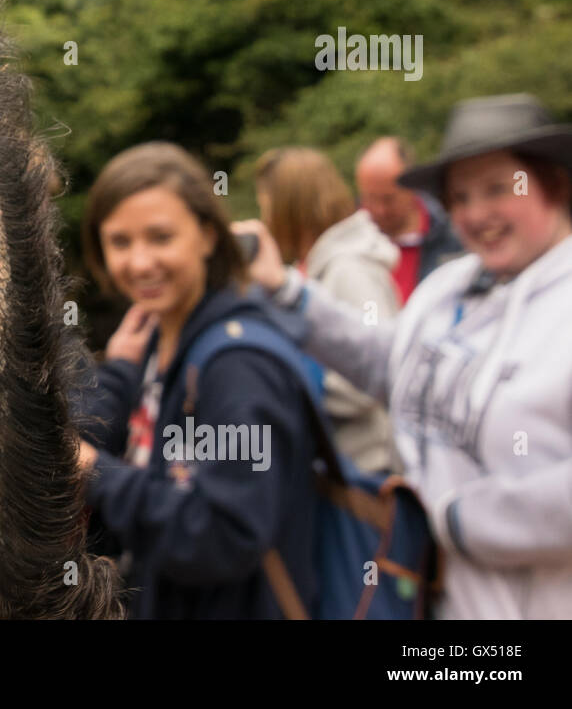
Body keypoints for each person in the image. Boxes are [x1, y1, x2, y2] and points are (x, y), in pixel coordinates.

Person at [235, 94, 572, 619]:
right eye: (459, 197)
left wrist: (452, 520)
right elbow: (392, 368)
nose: (476, 214)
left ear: (554, 183)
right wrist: (286, 292)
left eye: (497, 189)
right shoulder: (449, 286)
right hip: (424, 601)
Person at [71, 142, 318, 619]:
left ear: (207, 236)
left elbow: (223, 535)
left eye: (161, 237)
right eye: (120, 242)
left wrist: (97, 475)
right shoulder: (161, 347)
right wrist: (120, 373)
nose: (140, 263)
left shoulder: (237, 367)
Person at [254, 147, 402, 474]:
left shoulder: (351, 271)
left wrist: (288, 398)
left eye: (268, 206)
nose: (265, 219)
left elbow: (374, 368)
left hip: (369, 472)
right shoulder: (311, 269)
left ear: (291, 207)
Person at [356, 136, 463, 304]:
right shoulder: (349, 240)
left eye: (388, 199)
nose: (379, 209)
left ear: (413, 187)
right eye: (369, 198)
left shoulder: (451, 236)